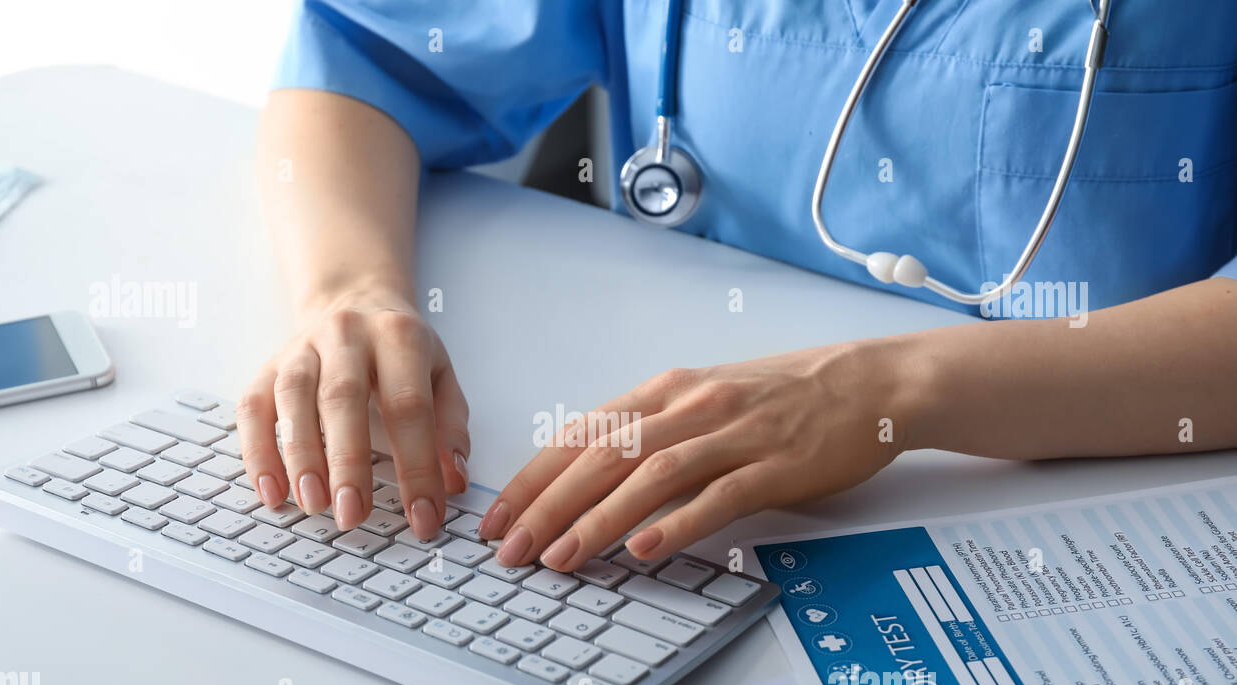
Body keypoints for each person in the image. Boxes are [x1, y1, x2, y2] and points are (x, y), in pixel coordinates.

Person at [238, 0, 1237, 576]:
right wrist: (349, 289)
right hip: (698, 516)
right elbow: (364, 57)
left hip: (1096, 520)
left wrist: (888, 393)